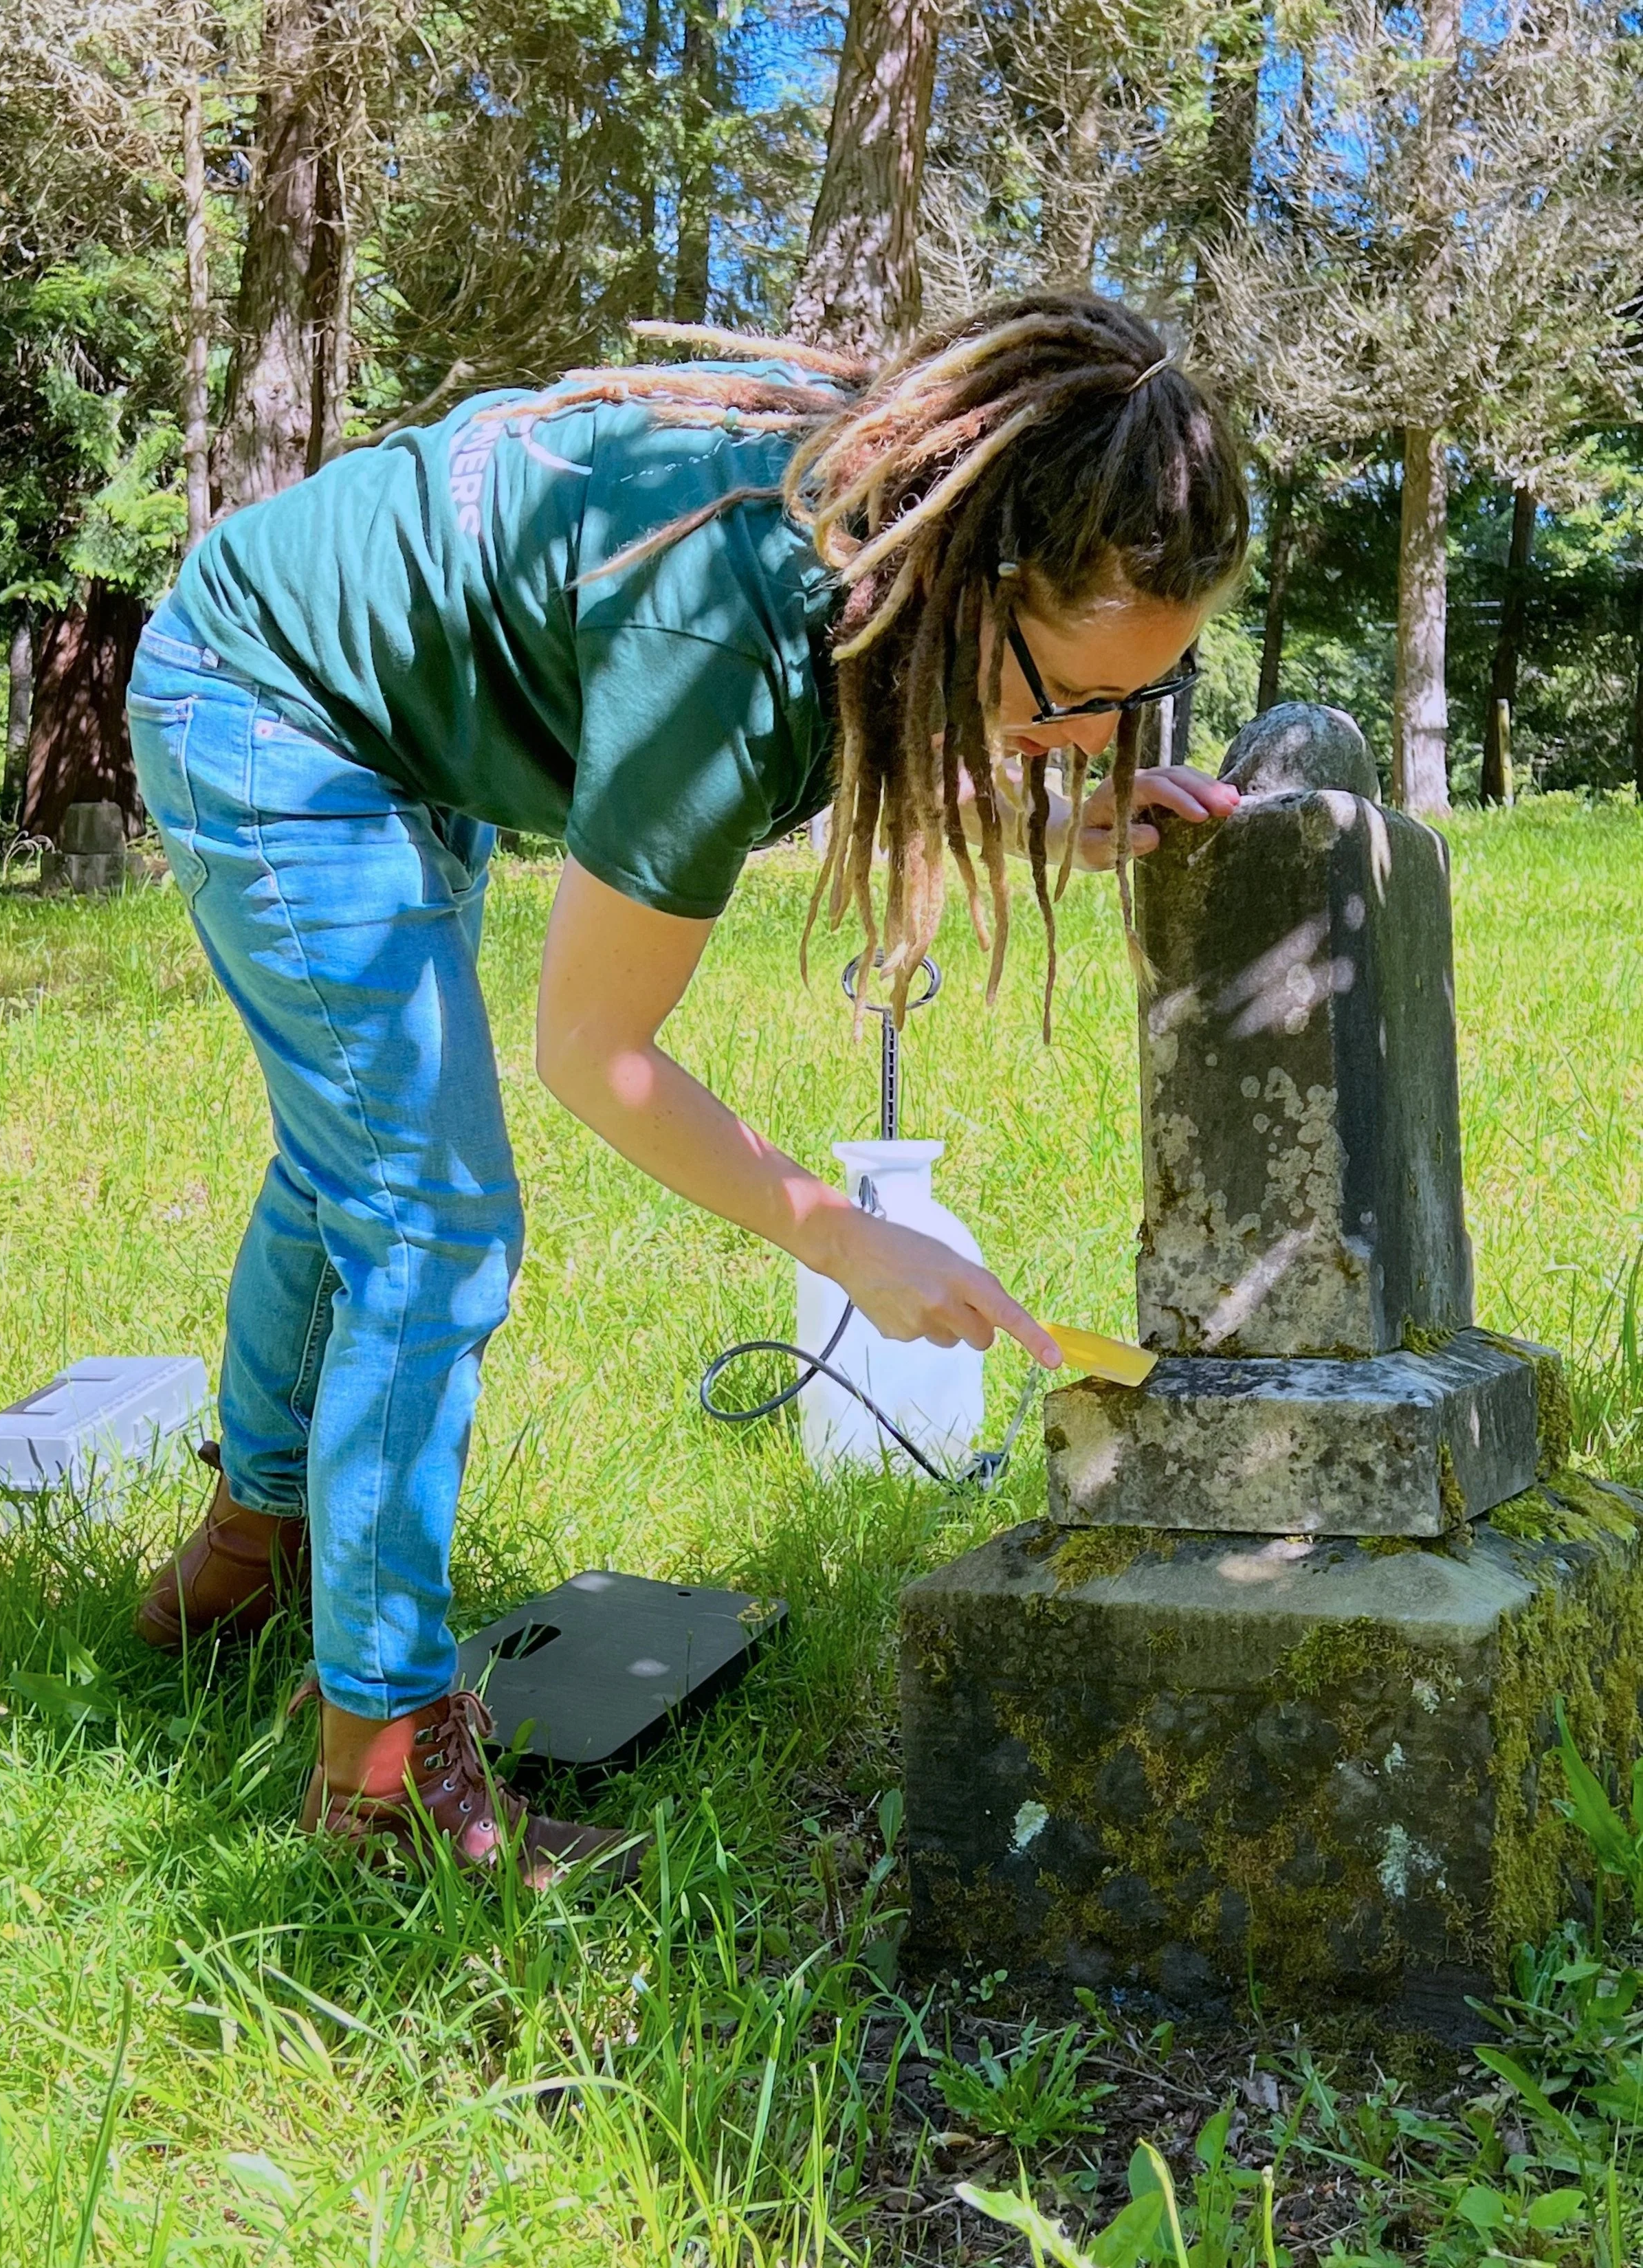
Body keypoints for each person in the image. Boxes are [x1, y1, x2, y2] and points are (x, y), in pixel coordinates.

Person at [125, 289, 1250, 1888]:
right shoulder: (723, 625)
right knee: (430, 1214)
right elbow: (596, 1054)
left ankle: (253, 1556)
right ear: (973, 573)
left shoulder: (891, 538)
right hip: (269, 701)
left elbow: (884, 710)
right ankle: (377, 1768)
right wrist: (843, 1239)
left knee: (355, 1160)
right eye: (1066, 697)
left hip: (392, 723)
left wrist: (1037, 816)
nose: (1082, 737)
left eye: (1131, 703)